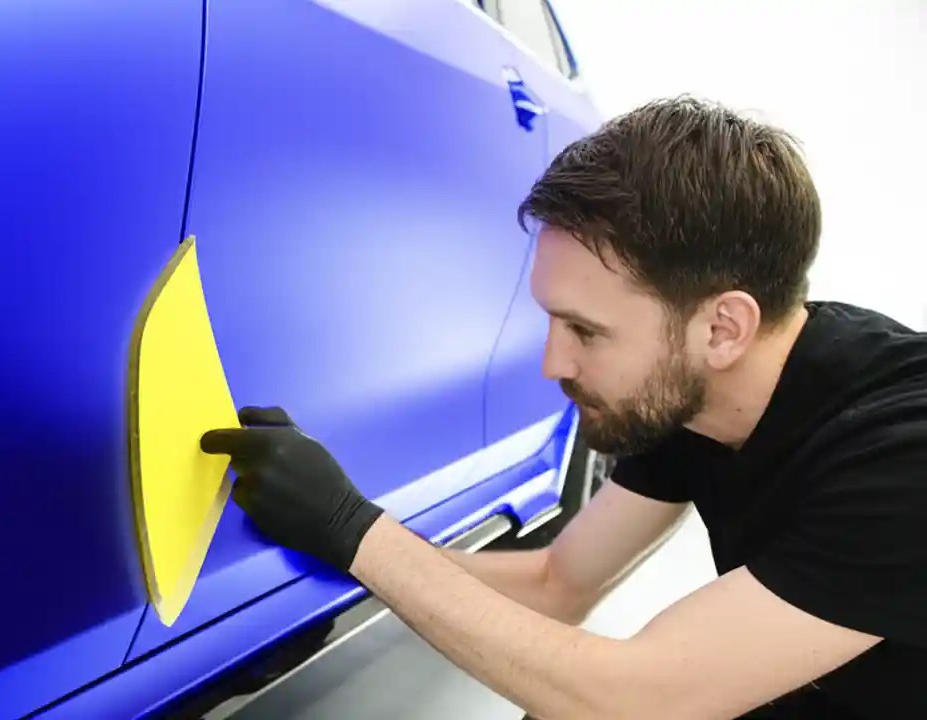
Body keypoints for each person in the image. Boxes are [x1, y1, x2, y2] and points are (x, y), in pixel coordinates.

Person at [199, 97, 926, 719]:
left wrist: (353, 531)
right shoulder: (695, 388)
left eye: (586, 330)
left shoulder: (902, 454)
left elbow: (636, 701)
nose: (555, 364)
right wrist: (338, 546)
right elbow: (557, 585)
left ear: (722, 328)